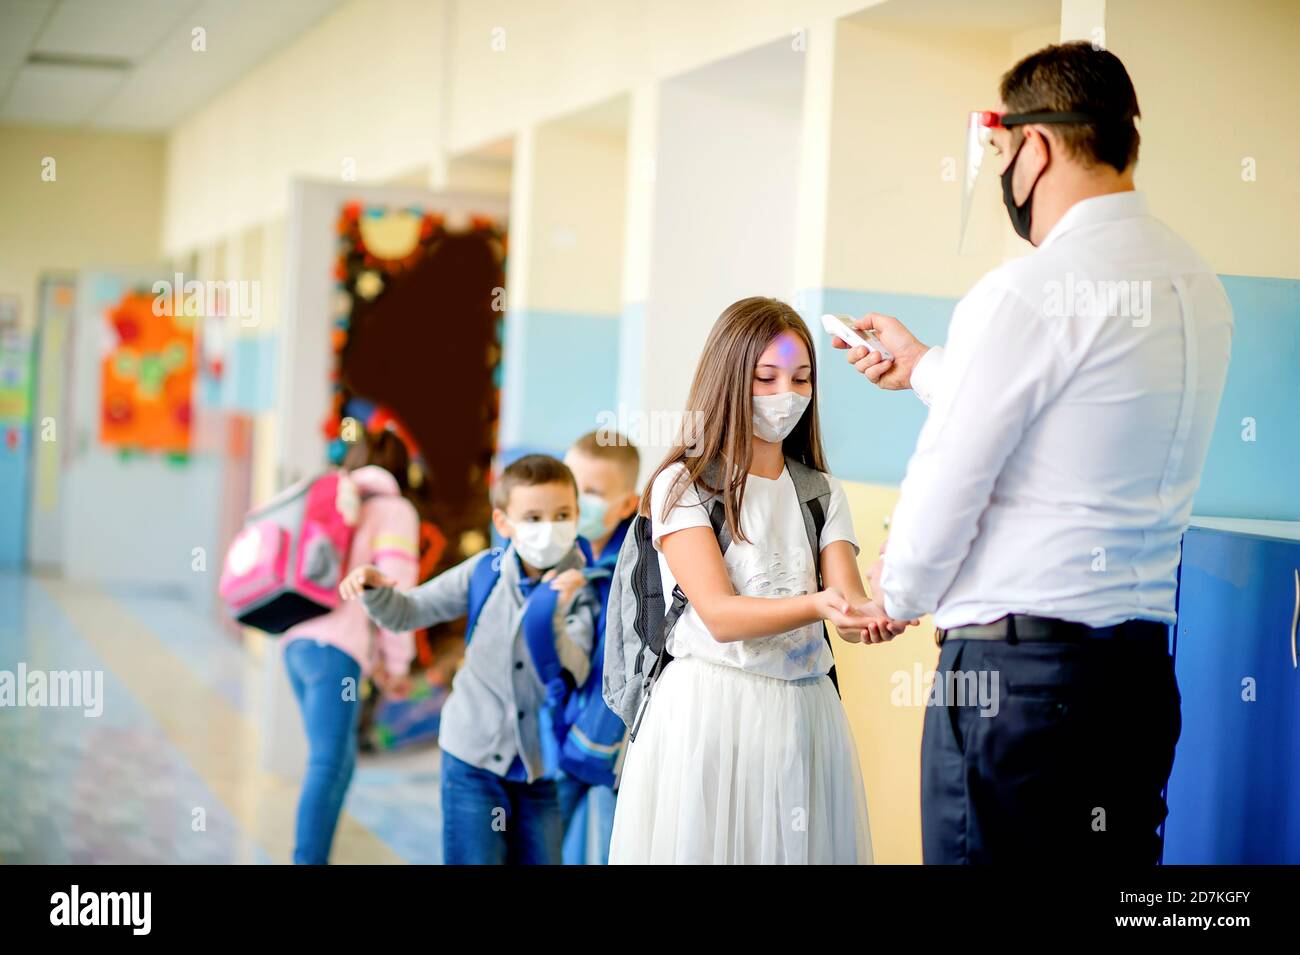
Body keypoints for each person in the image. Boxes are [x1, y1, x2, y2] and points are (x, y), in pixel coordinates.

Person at [836, 42, 1233, 864]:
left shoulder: (1027, 287)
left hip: (1013, 690)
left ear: (1035, 146)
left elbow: (954, 472)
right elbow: (1076, 423)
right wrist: (926, 367)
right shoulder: (1196, 286)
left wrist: (897, 591)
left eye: (999, 149)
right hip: (1134, 680)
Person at [608, 296, 912, 865]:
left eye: (801, 379)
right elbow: (721, 616)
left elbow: (844, 606)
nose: (785, 396)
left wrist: (877, 613)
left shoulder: (821, 491)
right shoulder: (684, 485)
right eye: (765, 378)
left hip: (806, 713)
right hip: (711, 713)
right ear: (727, 380)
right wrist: (824, 604)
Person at [340, 453, 600, 865]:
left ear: (576, 515)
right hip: (471, 759)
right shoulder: (485, 571)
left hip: (540, 769)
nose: (549, 527)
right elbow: (407, 612)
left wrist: (551, 613)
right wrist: (374, 590)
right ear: (503, 523)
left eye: (562, 514)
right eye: (532, 517)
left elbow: (577, 669)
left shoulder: (584, 588)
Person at [281, 428, 421, 864]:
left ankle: (315, 857)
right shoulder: (396, 511)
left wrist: (377, 667)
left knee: (339, 763)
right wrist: (398, 665)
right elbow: (398, 596)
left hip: (298, 644)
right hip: (335, 653)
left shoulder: (337, 497)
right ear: (402, 470)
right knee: (328, 763)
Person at [545, 430, 640, 864]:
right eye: (572, 486)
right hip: (561, 725)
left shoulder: (638, 563)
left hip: (612, 737)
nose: (579, 502)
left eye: (593, 492)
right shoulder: (563, 553)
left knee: (611, 845)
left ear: (627, 504)